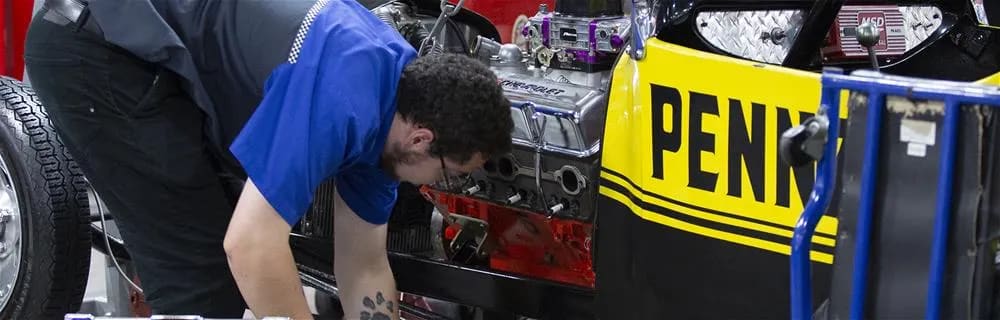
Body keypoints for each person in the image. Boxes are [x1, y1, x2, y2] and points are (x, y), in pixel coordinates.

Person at [23, 0, 513, 319]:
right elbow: (250, 246)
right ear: (424, 140)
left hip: (157, 56)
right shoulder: (343, 98)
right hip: (93, 42)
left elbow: (363, 263)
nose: (439, 187)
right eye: (449, 175)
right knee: (202, 277)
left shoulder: (395, 114)